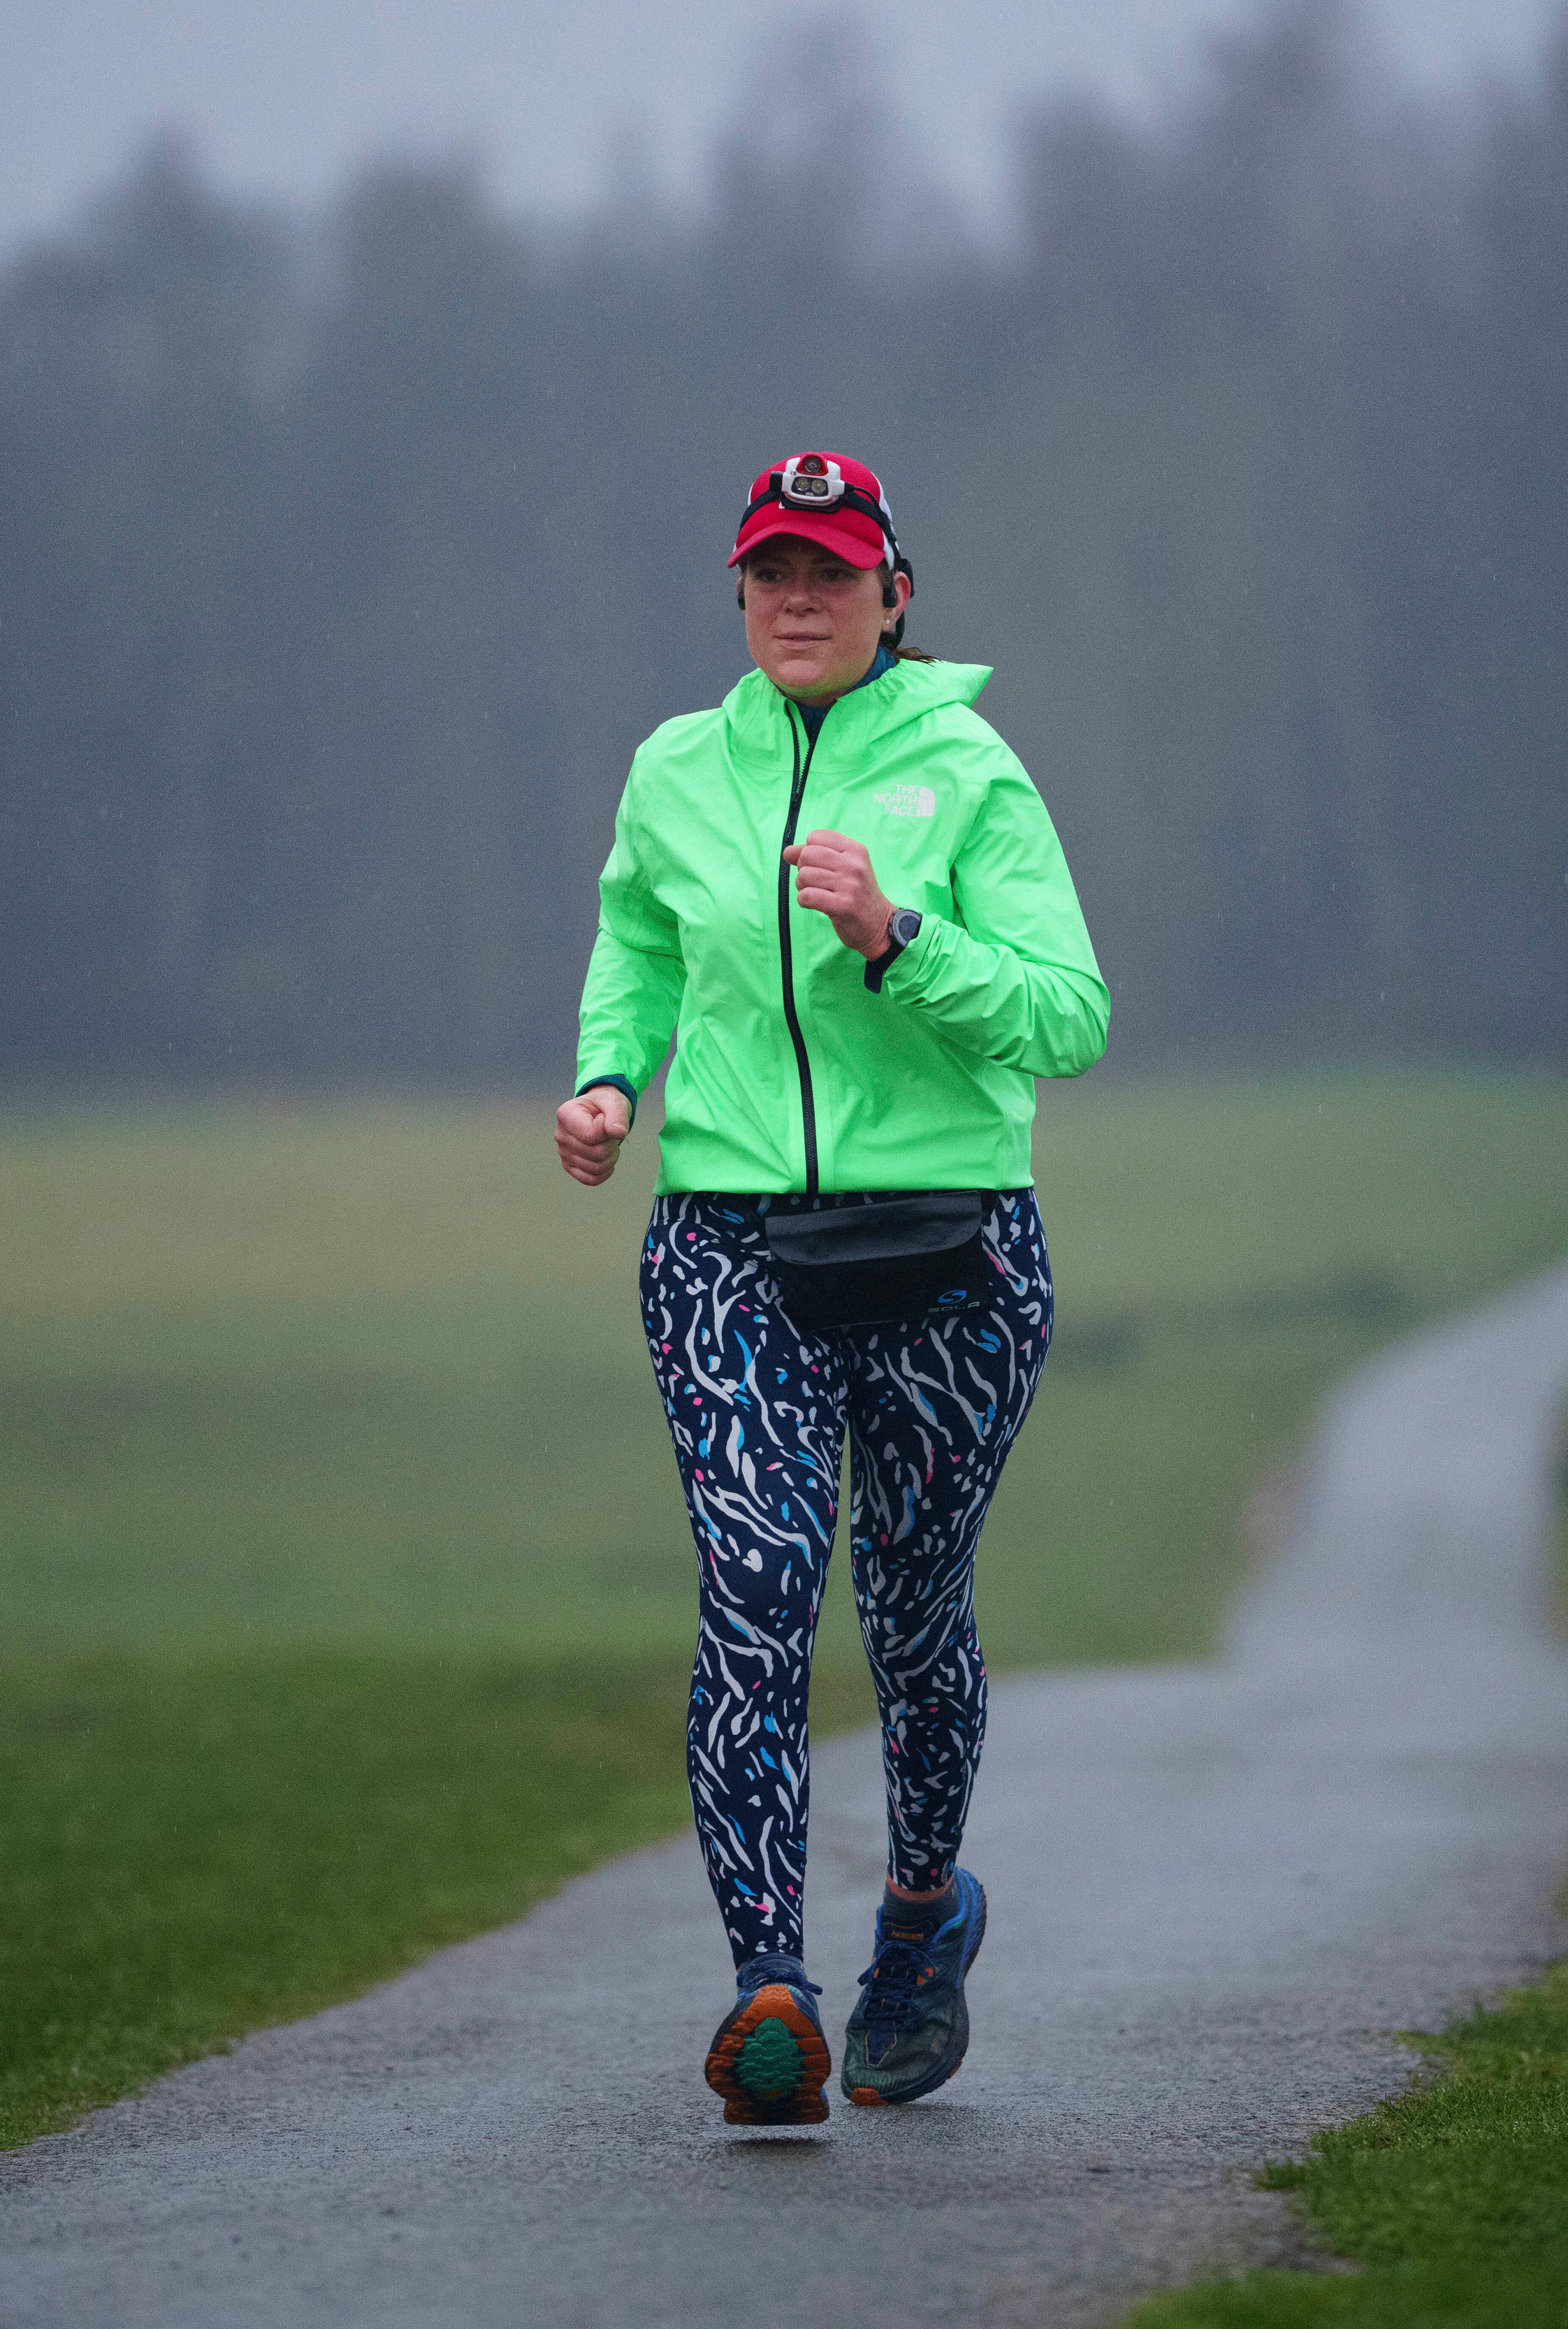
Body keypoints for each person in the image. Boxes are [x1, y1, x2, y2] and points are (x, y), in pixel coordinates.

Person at [553, 450, 1108, 2125]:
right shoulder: (673, 768)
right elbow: (639, 944)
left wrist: (898, 936)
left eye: (832, 572)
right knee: (759, 1582)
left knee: (911, 1607)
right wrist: (608, 1079)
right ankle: (770, 1986)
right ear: (739, 591)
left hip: (950, 1250)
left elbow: (1069, 1016)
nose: (799, 599)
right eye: (772, 572)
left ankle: (921, 1919)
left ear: (893, 593)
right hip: (730, 1244)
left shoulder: (970, 768)